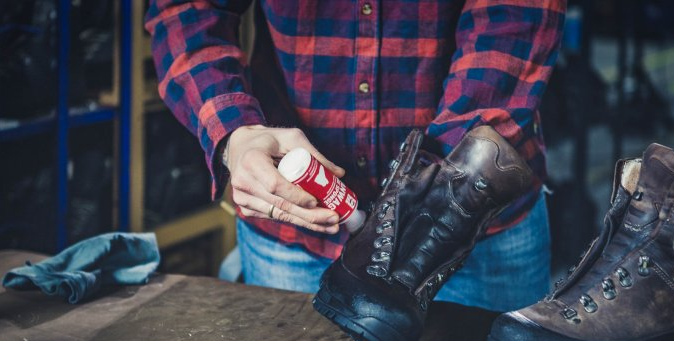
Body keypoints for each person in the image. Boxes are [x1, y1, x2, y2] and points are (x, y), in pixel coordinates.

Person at [145, 0, 566, 311]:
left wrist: (441, 190)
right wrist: (236, 132)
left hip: (474, 230)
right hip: (296, 237)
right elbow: (188, 11)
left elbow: (514, 17)